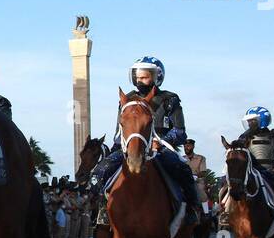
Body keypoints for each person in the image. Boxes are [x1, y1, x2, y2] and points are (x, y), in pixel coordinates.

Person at [89, 56, 199, 225]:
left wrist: (161, 141)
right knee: (99, 172)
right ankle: (103, 210)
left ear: (157, 77)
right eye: (137, 77)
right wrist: (116, 149)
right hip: (130, 148)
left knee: (183, 169)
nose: (140, 80)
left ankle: (193, 209)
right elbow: (119, 132)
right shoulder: (127, 99)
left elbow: (180, 131)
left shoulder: (170, 99)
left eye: (144, 77)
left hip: (160, 147)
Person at [184, 139, 211, 214]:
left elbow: (203, 171)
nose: (186, 148)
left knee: (201, 193)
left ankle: (206, 213)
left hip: (198, 180)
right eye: (185, 146)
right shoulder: (181, 159)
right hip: (184, 180)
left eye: (188, 146)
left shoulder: (201, 158)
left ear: (193, 146)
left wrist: (195, 176)